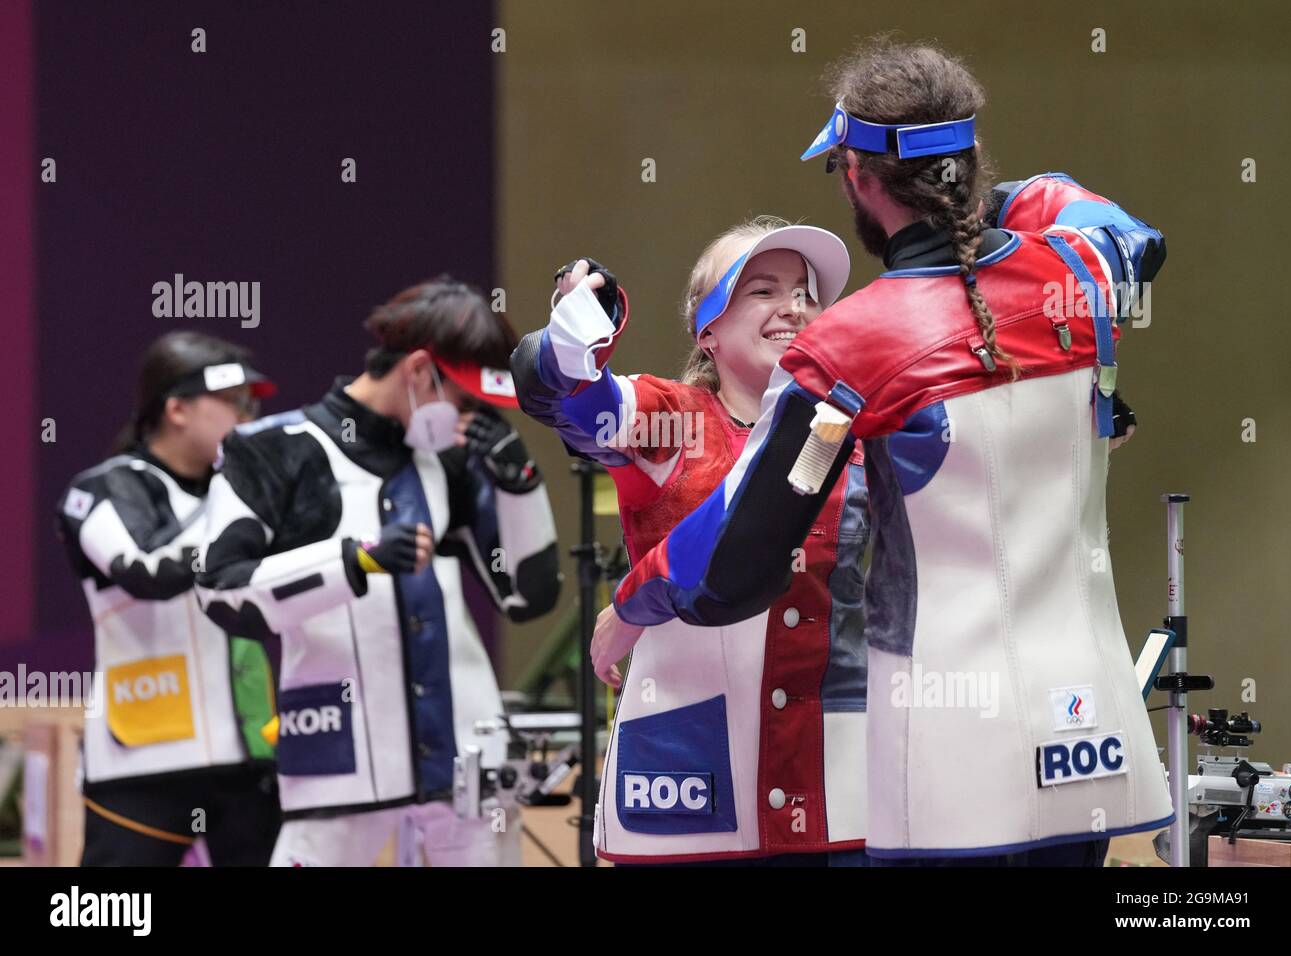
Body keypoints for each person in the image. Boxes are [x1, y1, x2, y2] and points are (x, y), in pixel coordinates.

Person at [598, 38, 1171, 866]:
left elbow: (736, 559)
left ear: (859, 180)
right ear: (969, 164)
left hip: (948, 767)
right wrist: (981, 200)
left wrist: (633, 604)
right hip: (1093, 736)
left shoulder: (845, 347)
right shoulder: (1081, 275)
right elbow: (1121, 229)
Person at [513, 219, 871, 864]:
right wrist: (568, 346)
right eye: (762, 291)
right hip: (687, 779)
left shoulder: (856, 432)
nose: (795, 307)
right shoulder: (667, 418)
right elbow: (562, 398)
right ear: (707, 331)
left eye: (807, 293)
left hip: (837, 785)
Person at [195, 276, 561, 866]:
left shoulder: (450, 459)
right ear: (419, 371)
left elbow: (528, 597)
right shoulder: (272, 449)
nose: (470, 417)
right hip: (336, 753)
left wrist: (521, 485)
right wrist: (353, 561)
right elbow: (219, 591)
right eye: (465, 400)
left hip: (468, 761)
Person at [56, 331, 281, 866]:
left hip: (249, 754)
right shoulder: (101, 488)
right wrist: (239, 490)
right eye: (233, 402)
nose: (246, 418)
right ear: (177, 408)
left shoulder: (240, 495)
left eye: (252, 404)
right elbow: (148, 570)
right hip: (142, 760)